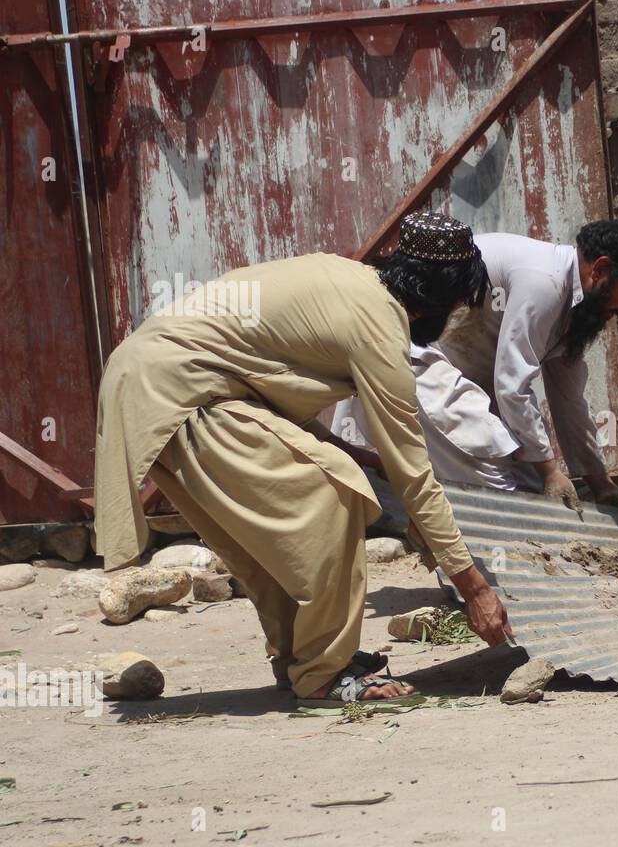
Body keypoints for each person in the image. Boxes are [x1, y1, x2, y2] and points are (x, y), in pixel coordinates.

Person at [94, 212, 513, 704]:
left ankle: (305, 656)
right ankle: (324, 675)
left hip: (162, 384)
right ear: (444, 295)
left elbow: (266, 378)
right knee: (332, 494)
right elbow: (413, 471)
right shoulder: (378, 326)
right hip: (177, 392)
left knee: (270, 541)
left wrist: (366, 461)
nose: (462, 310)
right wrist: (475, 589)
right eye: (463, 301)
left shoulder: (353, 282)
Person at [329, 217, 618, 520]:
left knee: (525, 483)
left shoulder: (575, 304)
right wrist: (549, 471)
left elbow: (569, 400)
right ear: (600, 270)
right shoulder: (547, 283)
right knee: (500, 480)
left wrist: (598, 482)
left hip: (457, 380)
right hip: (410, 363)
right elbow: (511, 384)